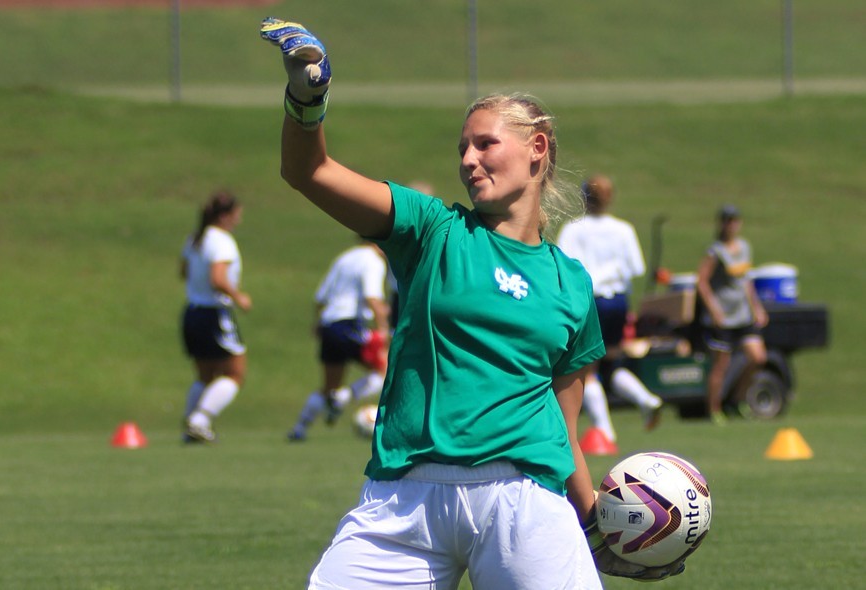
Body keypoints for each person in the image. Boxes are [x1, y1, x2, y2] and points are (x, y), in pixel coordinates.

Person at [261, 18, 687, 588]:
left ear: (537, 149)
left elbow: (563, 428)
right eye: (463, 147)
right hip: (404, 501)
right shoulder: (432, 229)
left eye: (485, 143)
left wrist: (597, 529)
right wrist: (306, 99)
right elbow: (307, 171)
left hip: (525, 505)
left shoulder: (572, 283)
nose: (468, 159)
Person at [557, 175, 664, 442]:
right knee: (612, 361)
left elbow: (563, 263)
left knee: (587, 367)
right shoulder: (623, 229)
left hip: (590, 300)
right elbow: (636, 267)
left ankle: (604, 430)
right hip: (617, 301)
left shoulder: (574, 229)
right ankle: (646, 399)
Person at [287, 238, 390, 442]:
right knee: (386, 370)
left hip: (329, 325)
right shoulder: (373, 261)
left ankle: (299, 429)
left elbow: (320, 297)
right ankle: (343, 397)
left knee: (329, 386)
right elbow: (373, 298)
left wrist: (316, 323)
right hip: (349, 323)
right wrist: (383, 331)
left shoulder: (344, 258)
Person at [179, 190, 251, 443]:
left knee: (205, 375)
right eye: (236, 215)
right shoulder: (221, 240)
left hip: (192, 311)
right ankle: (199, 420)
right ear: (224, 216)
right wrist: (238, 296)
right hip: (213, 313)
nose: (238, 220)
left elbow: (183, 272)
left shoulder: (195, 238)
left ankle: (189, 425)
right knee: (235, 373)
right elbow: (217, 278)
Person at [696, 204, 768, 424]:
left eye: (734, 220)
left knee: (758, 357)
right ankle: (714, 409)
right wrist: (714, 310)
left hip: (743, 315)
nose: (731, 225)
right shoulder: (715, 251)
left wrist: (757, 307)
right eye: (727, 220)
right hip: (724, 319)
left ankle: (738, 399)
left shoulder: (745, 247)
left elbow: (746, 281)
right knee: (720, 365)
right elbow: (701, 281)